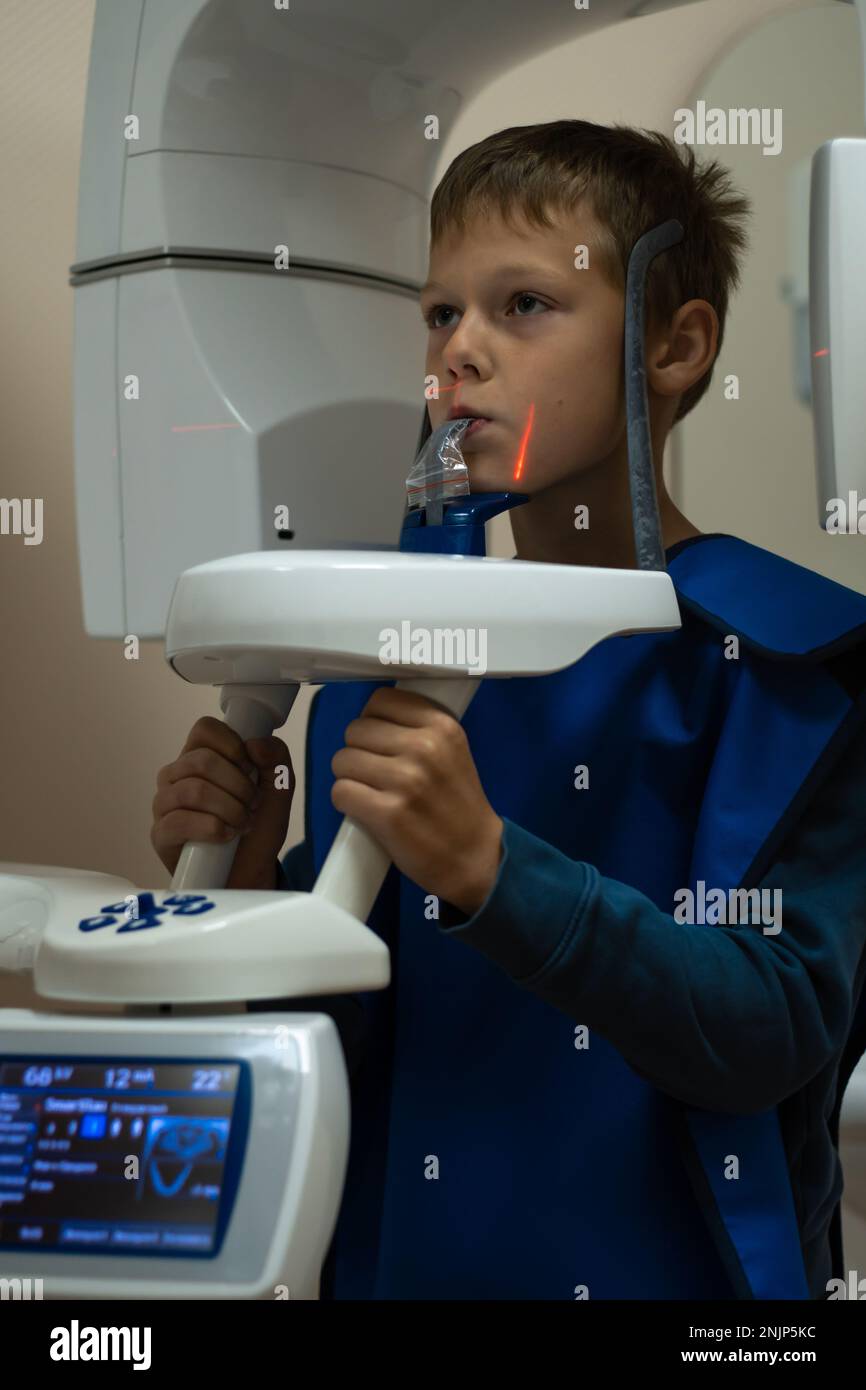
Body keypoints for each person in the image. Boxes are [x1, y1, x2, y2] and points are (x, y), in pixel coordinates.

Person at [151, 120, 866, 1300]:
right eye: (439, 315)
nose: (457, 356)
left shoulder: (782, 664)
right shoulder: (383, 654)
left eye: (523, 304)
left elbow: (772, 1030)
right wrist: (243, 899)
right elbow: (348, 1030)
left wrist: (489, 869)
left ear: (674, 345)